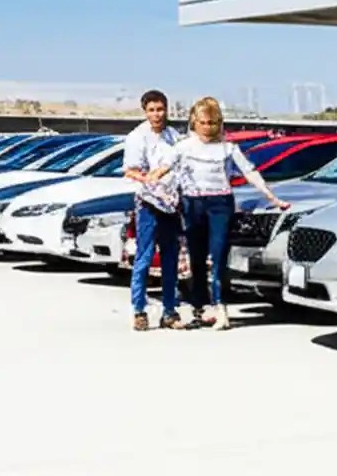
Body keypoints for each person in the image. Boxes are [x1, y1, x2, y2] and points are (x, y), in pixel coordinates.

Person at [146, 97, 288, 330]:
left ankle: (220, 305)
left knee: (219, 254)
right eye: (203, 123)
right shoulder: (184, 146)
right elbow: (165, 167)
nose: (207, 128)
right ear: (194, 122)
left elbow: (250, 172)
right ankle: (200, 307)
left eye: (212, 123)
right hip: (193, 202)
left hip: (220, 203)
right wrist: (151, 178)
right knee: (197, 257)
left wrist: (271, 197)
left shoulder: (227, 148)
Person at [122, 89, 186, 332]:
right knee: (145, 257)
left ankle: (169, 310)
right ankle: (139, 309)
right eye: (152, 110)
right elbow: (130, 170)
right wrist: (150, 180)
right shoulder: (137, 137)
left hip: (171, 204)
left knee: (171, 259)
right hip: (148, 203)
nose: (157, 114)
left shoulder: (173, 137)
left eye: (160, 109)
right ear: (145, 111)